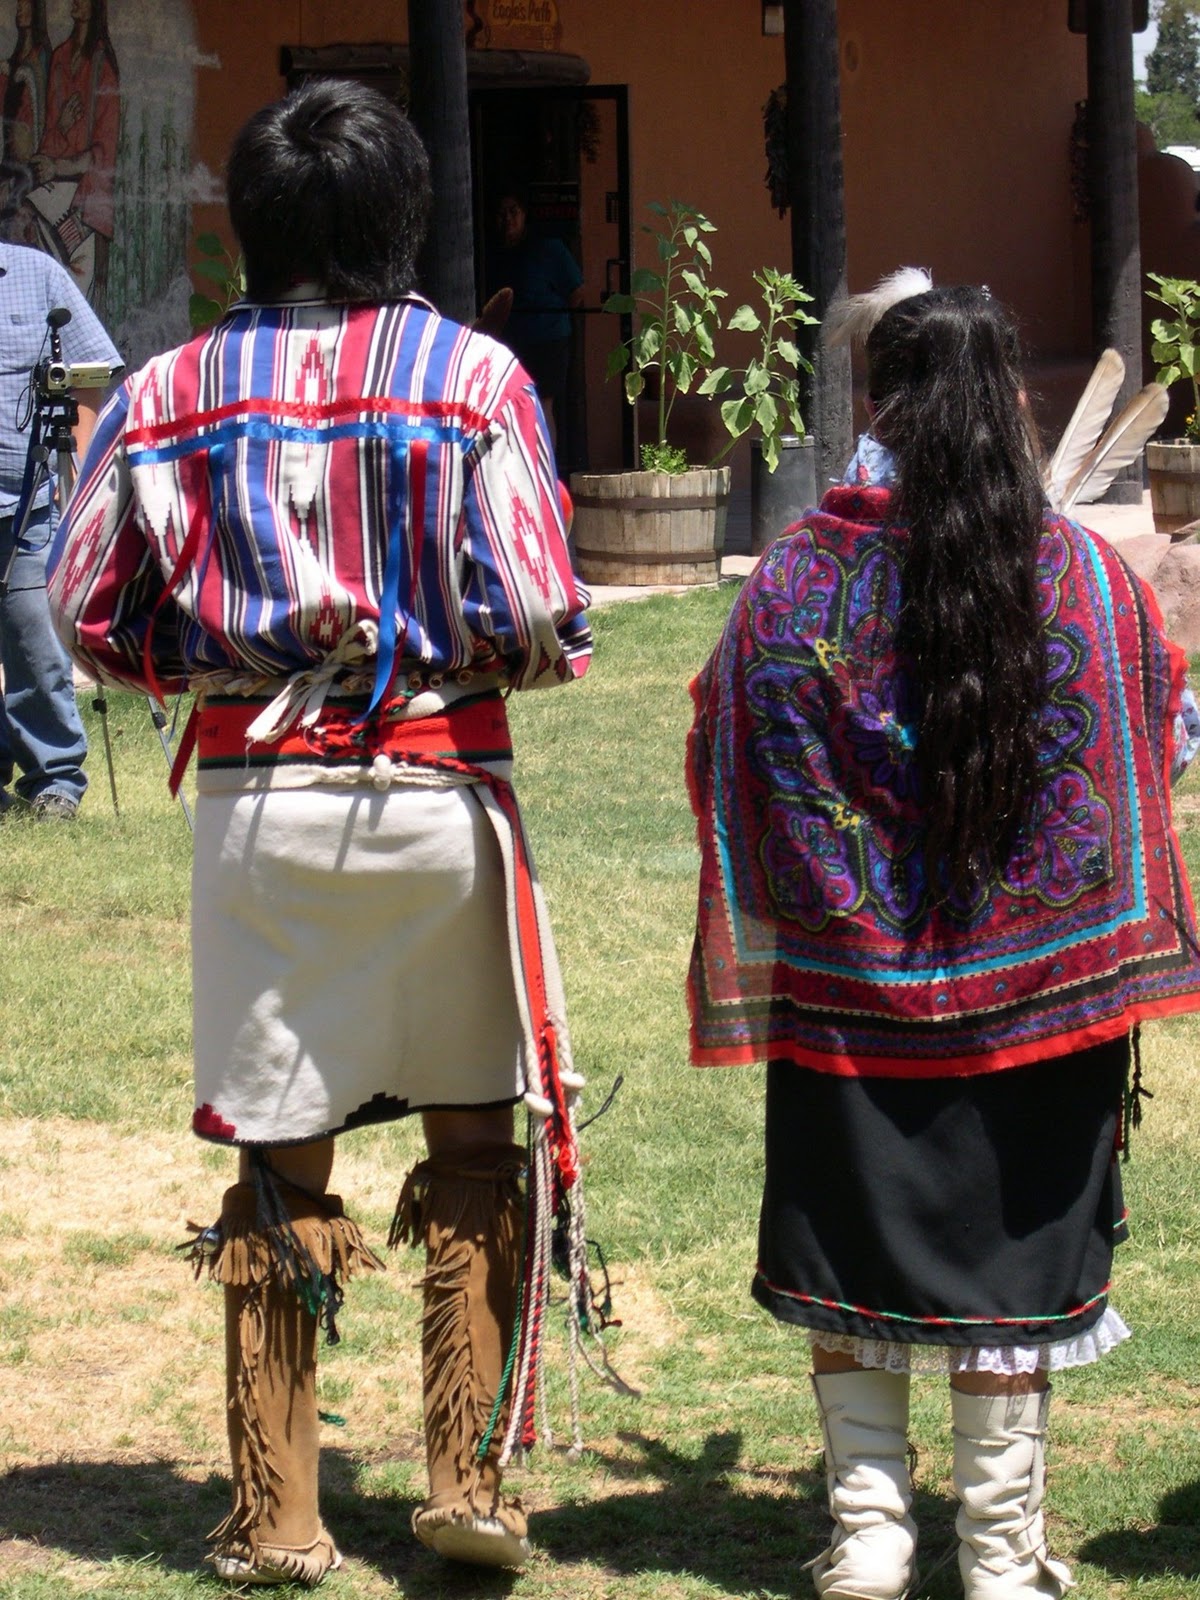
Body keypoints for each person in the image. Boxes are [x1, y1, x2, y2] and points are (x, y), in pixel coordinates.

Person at [49, 79, 592, 1587]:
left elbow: (85, 605)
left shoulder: (166, 392)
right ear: (404, 217)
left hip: (261, 810)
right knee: (474, 1130)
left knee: (281, 1150)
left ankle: (279, 1513)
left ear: (252, 223)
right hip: (439, 793)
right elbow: (541, 608)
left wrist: (217, 655)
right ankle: (468, 1480)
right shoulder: (472, 376)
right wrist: (456, 649)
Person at [686, 275, 1200, 1600]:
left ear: (877, 405)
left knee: (849, 1247)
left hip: (850, 1005)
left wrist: (849, 894)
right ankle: (999, 1551)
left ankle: (870, 1533)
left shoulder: (794, 579)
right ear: (1010, 402)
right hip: (1041, 1013)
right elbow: (1153, 742)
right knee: (1011, 1270)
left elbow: (730, 744)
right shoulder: (1086, 578)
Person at [0, 234, 118, 819]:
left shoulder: (35, 272)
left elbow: (88, 373)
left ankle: (55, 781)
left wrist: (83, 478)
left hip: (25, 503)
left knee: (35, 646)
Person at [490, 190, 583, 455]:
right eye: (502, 213)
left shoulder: (548, 248)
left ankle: (545, 468)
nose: (507, 219)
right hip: (509, 342)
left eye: (513, 212)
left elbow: (577, 292)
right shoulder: (491, 253)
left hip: (547, 340)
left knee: (542, 406)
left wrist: (554, 319)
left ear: (524, 215)